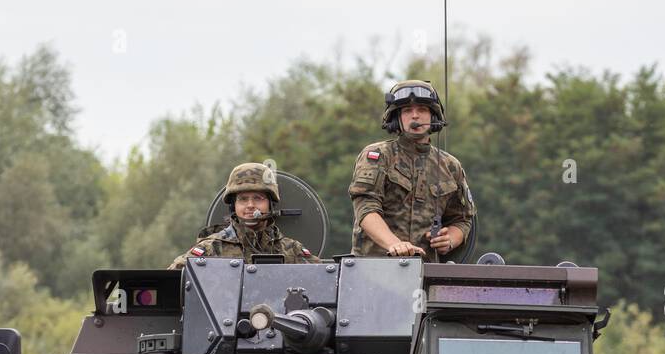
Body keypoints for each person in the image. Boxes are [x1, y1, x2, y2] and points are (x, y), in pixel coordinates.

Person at [349, 80, 475, 259]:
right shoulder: (378, 156)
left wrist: (450, 239)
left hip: (427, 273)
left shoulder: (450, 166)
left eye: (422, 110)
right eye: (407, 111)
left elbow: (462, 219)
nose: (415, 116)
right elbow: (366, 208)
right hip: (374, 268)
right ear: (397, 118)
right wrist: (394, 244)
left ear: (433, 116)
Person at [168, 162, 318, 268]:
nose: (250, 205)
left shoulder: (291, 250)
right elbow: (172, 280)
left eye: (258, 198)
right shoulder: (211, 249)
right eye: (243, 199)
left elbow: (326, 281)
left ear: (271, 204)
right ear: (234, 206)